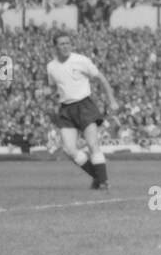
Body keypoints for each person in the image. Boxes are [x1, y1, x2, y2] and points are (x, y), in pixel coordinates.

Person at [46, 33, 119, 190]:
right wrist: (45, 91)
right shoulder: (51, 66)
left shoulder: (81, 60)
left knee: (93, 145)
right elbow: (54, 86)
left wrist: (112, 100)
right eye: (61, 44)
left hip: (84, 106)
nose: (65, 46)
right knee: (70, 150)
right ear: (55, 47)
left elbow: (101, 78)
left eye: (67, 43)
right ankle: (98, 177)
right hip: (66, 109)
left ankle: (104, 182)